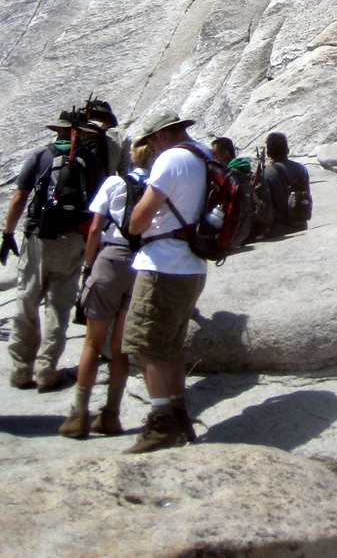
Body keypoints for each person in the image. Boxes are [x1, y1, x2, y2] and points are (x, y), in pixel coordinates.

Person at [121, 110, 210, 453]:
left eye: (151, 142)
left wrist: (134, 219)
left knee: (148, 345)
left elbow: (139, 220)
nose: (151, 149)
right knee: (171, 346)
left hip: (163, 265)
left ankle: (161, 425)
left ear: (159, 136)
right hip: (193, 265)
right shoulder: (202, 154)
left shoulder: (170, 160)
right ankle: (178, 414)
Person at [3, 109, 108, 391]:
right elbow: (98, 208)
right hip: (72, 240)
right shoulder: (91, 161)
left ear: (58, 130)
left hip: (39, 236)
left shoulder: (41, 155)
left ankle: (20, 370)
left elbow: (20, 196)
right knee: (58, 307)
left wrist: (8, 233)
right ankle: (46, 370)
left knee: (27, 300)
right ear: (81, 132)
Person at [58, 140, 155, 439]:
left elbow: (94, 228)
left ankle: (78, 415)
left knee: (92, 341)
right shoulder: (156, 186)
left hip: (111, 259)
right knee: (120, 347)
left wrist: (89, 267)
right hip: (142, 263)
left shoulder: (114, 183)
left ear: (132, 156)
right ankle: (111, 415)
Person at [263, 132, 312, 234]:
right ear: (287, 150)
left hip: (278, 229)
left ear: (268, 154)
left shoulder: (265, 174)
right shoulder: (302, 169)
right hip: (301, 224)